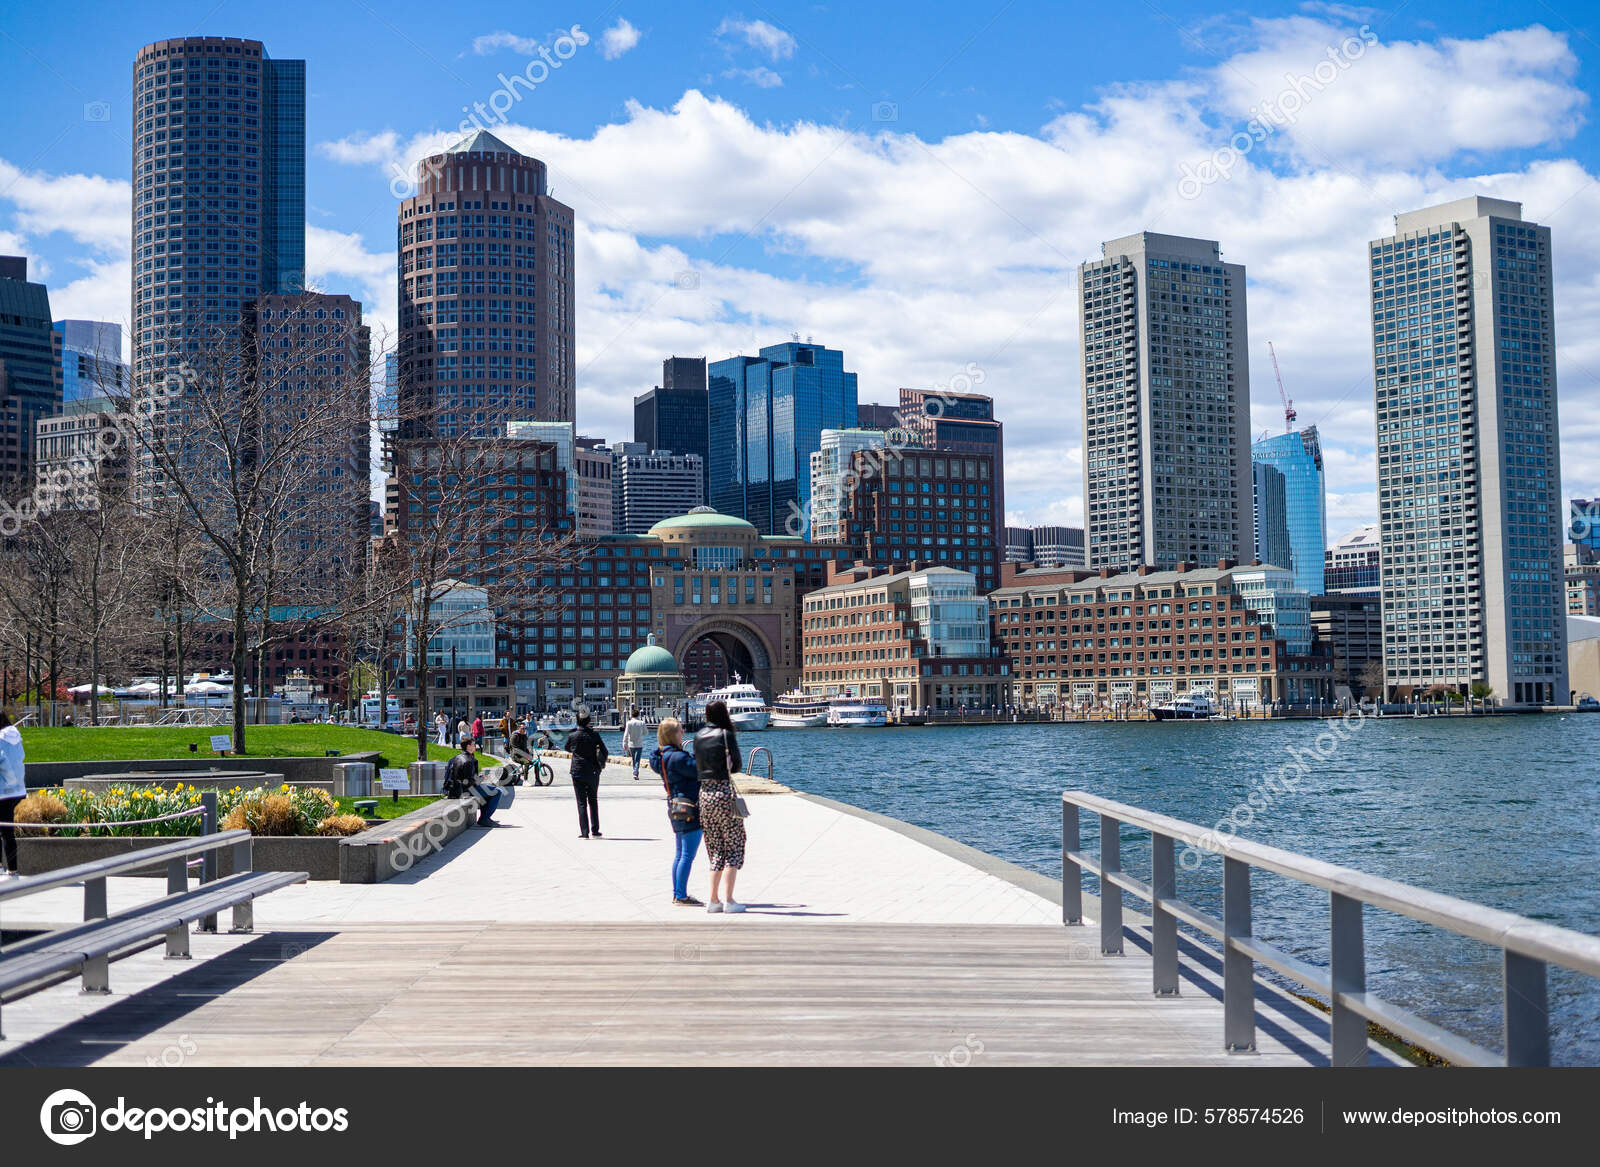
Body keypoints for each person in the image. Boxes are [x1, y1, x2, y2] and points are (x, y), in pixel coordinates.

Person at [692, 699, 747, 913]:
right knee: (733, 845)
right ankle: (730, 901)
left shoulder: (697, 736)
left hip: (704, 795)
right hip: (724, 793)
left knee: (715, 849)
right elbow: (737, 766)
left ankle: (713, 901)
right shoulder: (726, 735)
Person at [650, 718, 702, 906]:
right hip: (688, 808)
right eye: (680, 730)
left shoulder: (661, 756)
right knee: (687, 855)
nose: (684, 732)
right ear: (672, 735)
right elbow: (699, 770)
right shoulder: (678, 758)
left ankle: (678, 892)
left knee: (680, 853)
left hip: (675, 806)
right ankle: (680, 896)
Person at [565, 710, 608, 839]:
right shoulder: (594, 735)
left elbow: (567, 748)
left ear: (577, 721)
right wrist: (600, 764)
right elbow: (604, 751)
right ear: (588, 721)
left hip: (577, 771)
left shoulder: (573, 736)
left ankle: (584, 832)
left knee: (581, 802)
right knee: (593, 800)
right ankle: (595, 830)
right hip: (593, 771)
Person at [443, 738, 501, 827]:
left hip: (455, 789)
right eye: (473, 745)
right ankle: (484, 819)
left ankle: (485, 818)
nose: (475, 746)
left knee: (488, 790)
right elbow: (470, 782)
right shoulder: (469, 761)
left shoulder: (457, 758)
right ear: (468, 746)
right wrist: (482, 778)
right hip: (465, 790)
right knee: (497, 791)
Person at [0, 711, 26, 877]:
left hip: (4, 791)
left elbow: (2, 761)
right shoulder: (16, 737)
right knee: (6, 830)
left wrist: (9, 782)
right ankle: (10, 869)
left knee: (6, 832)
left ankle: (11, 870)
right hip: (18, 791)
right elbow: (20, 758)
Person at [622, 708, 649, 780]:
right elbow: (646, 733)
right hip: (639, 744)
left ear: (631, 715)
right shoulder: (641, 723)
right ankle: (635, 772)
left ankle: (635, 772)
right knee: (637, 760)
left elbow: (626, 734)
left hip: (631, 744)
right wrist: (641, 732)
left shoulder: (629, 723)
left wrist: (624, 743)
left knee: (634, 759)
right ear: (639, 715)